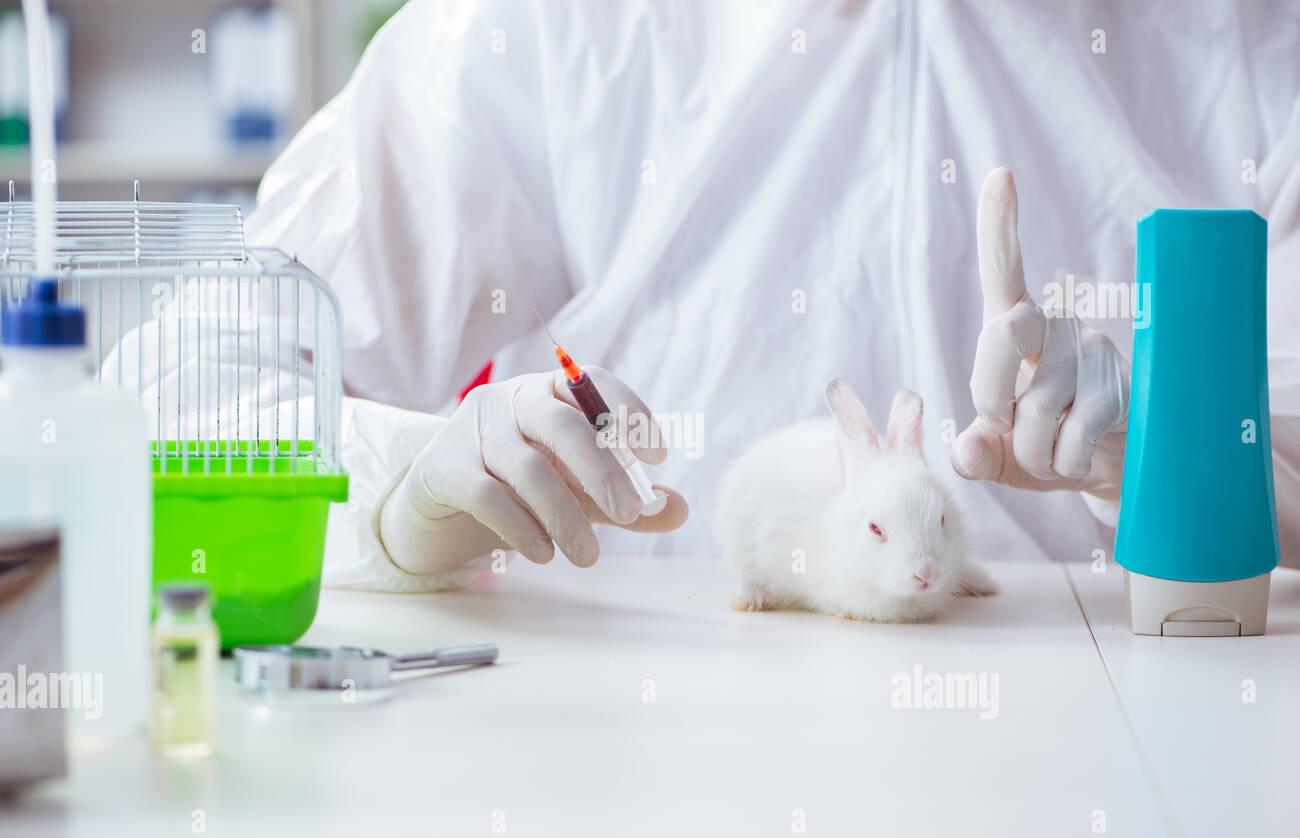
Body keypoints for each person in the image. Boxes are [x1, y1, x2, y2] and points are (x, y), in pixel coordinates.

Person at [240, 0, 1300, 591]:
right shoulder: (545, 32)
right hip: (654, 779)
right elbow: (199, 384)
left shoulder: (1251, 47)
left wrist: (1183, 462)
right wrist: (400, 493)